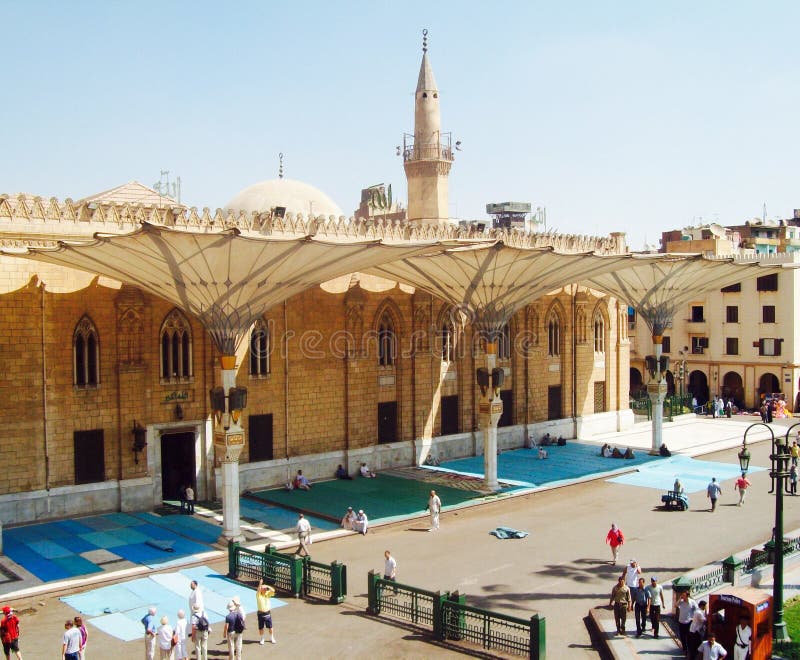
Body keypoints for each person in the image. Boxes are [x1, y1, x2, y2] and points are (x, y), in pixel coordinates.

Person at [675, 590, 698, 655]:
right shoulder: (681, 602)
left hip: (688, 622)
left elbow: (697, 610)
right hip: (681, 621)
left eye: (684, 595)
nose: (682, 596)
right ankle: (685, 649)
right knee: (682, 636)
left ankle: (689, 649)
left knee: (688, 637)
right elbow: (675, 605)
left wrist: (693, 618)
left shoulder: (692, 602)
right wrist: (679, 599)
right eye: (682, 595)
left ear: (687, 596)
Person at [256, 578, 276, 645]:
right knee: (261, 627)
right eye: (263, 589)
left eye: (265, 589)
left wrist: (267, 586)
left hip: (267, 613)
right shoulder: (258, 595)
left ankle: (272, 637)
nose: (264, 590)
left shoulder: (267, 594)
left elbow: (273, 590)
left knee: (270, 627)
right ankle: (262, 638)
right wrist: (260, 584)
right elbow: (258, 590)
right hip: (260, 613)